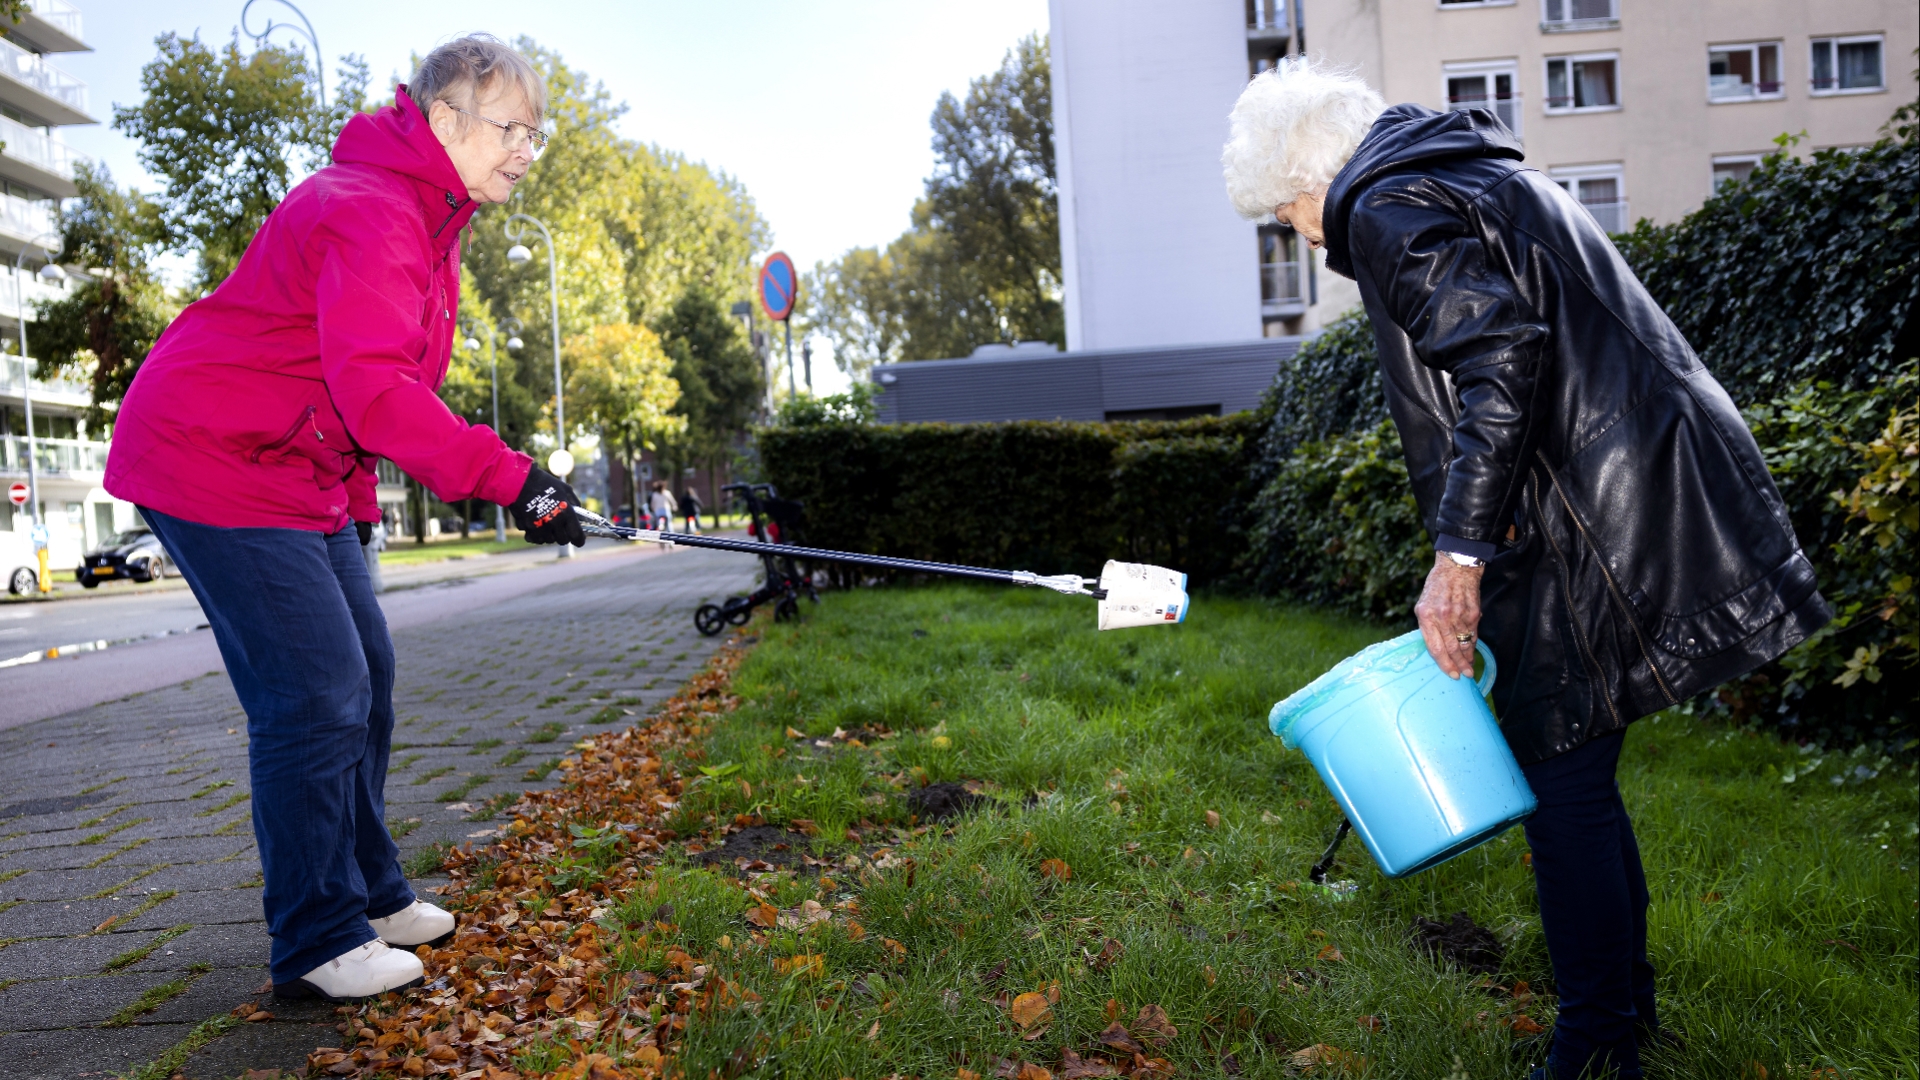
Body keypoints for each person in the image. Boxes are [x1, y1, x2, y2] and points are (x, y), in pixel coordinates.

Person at [1221, 59, 1829, 1080]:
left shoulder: (1384, 206)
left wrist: (1457, 554)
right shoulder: (1464, 174)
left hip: (1594, 513)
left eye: (1284, 211)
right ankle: (1623, 1023)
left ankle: (1594, 1046)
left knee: (1560, 784)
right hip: (1623, 485)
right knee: (1576, 773)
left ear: (1309, 175)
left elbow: (1501, 353)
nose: (1298, 235)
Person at [102, 36, 587, 1003]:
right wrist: (512, 480)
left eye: (537, 133)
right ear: (444, 118)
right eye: (511, 128)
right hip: (212, 455)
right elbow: (377, 392)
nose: (527, 150)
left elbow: (351, 390)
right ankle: (316, 938)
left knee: (370, 673)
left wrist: (354, 508)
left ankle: (368, 892)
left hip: (297, 469)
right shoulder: (373, 210)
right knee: (315, 693)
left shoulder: (432, 220)